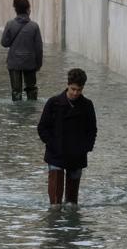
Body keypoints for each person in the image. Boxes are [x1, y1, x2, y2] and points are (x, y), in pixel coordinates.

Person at [37, 68, 97, 208]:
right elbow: (42, 128)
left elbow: (92, 130)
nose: (75, 93)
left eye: (79, 90)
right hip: (56, 154)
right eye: (73, 89)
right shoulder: (53, 103)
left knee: (72, 204)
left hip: (77, 155)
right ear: (68, 85)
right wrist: (53, 144)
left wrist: (86, 148)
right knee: (55, 204)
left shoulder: (87, 105)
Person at [1, 0, 43, 101]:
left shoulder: (10, 24)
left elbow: (4, 43)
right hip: (30, 63)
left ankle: (17, 115)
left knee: (16, 91)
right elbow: (39, 48)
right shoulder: (34, 26)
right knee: (31, 89)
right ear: (28, 10)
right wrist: (38, 64)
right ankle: (30, 112)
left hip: (14, 63)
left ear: (16, 10)